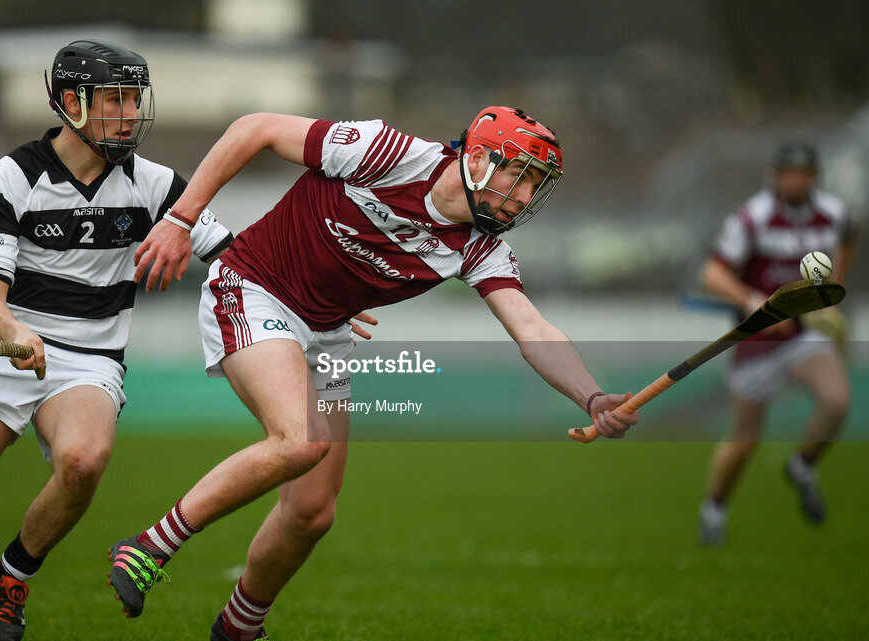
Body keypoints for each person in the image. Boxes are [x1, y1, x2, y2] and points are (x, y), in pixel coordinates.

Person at [106, 106, 639, 640]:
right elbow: (254, 129)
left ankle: (239, 627)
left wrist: (591, 397)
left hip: (327, 333)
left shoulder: (480, 248)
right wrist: (180, 220)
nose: (525, 199)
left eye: (535, 188)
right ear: (477, 159)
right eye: (519, 179)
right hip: (253, 286)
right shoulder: (385, 153)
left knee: (312, 513)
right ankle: (150, 546)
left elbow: (532, 329)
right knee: (300, 441)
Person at [0, 40, 237, 641]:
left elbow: (235, 256)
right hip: (2, 350)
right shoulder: (13, 177)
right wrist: (17, 332)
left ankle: (11, 577)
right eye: (115, 100)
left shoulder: (153, 184)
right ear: (72, 103)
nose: (130, 113)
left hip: (89, 359)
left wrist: (310, 300)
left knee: (84, 460)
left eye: (134, 98)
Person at [696, 141, 858, 546]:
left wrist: (832, 291)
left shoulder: (833, 214)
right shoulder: (752, 218)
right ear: (775, 176)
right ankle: (713, 508)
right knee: (744, 441)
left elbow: (850, 237)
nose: (795, 180)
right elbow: (712, 275)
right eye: (788, 173)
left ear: (814, 177)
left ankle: (803, 466)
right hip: (759, 339)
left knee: (836, 401)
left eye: (803, 174)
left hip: (804, 336)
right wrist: (755, 303)